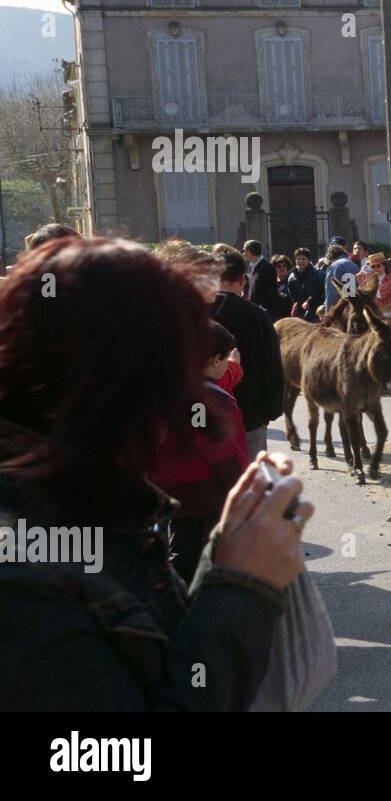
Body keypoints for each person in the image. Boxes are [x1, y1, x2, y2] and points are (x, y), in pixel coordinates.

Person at [0, 236, 312, 710]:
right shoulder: (25, 572)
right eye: (175, 370)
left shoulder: (78, 500)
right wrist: (244, 587)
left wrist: (225, 552)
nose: (185, 399)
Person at [148, 320, 248, 584]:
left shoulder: (167, 387)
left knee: (181, 543)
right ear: (215, 359)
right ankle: (187, 602)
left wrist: (234, 369)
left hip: (168, 488)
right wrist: (243, 489)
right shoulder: (212, 404)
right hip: (204, 493)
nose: (228, 363)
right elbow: (223, 452)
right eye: (226, 358)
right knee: (200, 555)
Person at [212, 250, 285, 460]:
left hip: (203, 416)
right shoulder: (256, 316)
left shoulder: (194, 311)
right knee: (251, 481)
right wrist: (270, 412)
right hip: (248, 416)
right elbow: (272, 367)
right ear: (242, 280)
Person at [287, 247, 325, 322]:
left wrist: (309, 301)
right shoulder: (292, 276)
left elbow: (320, 291)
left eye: (304, 259)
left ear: (309, 260)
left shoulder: (317, 274)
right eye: (298, 259)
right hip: (300, 313)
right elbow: (292, 295)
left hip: (316, 312)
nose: (301, 261)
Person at [322, 243, 359, 311]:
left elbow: (332, 293)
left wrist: (329, 312)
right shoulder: (354, 265)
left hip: (342, 310)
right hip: (355, 307)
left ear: (330, 257)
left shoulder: (334, 266)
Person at [243, 240, 276, 312]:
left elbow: (272, 289)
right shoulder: (252, 266)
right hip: (254, 309)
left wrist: (262, 307)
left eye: (243, 251)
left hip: (264, 311)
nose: (243, 253)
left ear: (248, 251)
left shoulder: (267, 267)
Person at [266, 254, 294, 321]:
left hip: (288, 316)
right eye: (278, 266)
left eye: (284, 266)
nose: (282, 268)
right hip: (274, 317)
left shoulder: (291, 281)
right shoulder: (271, 282)